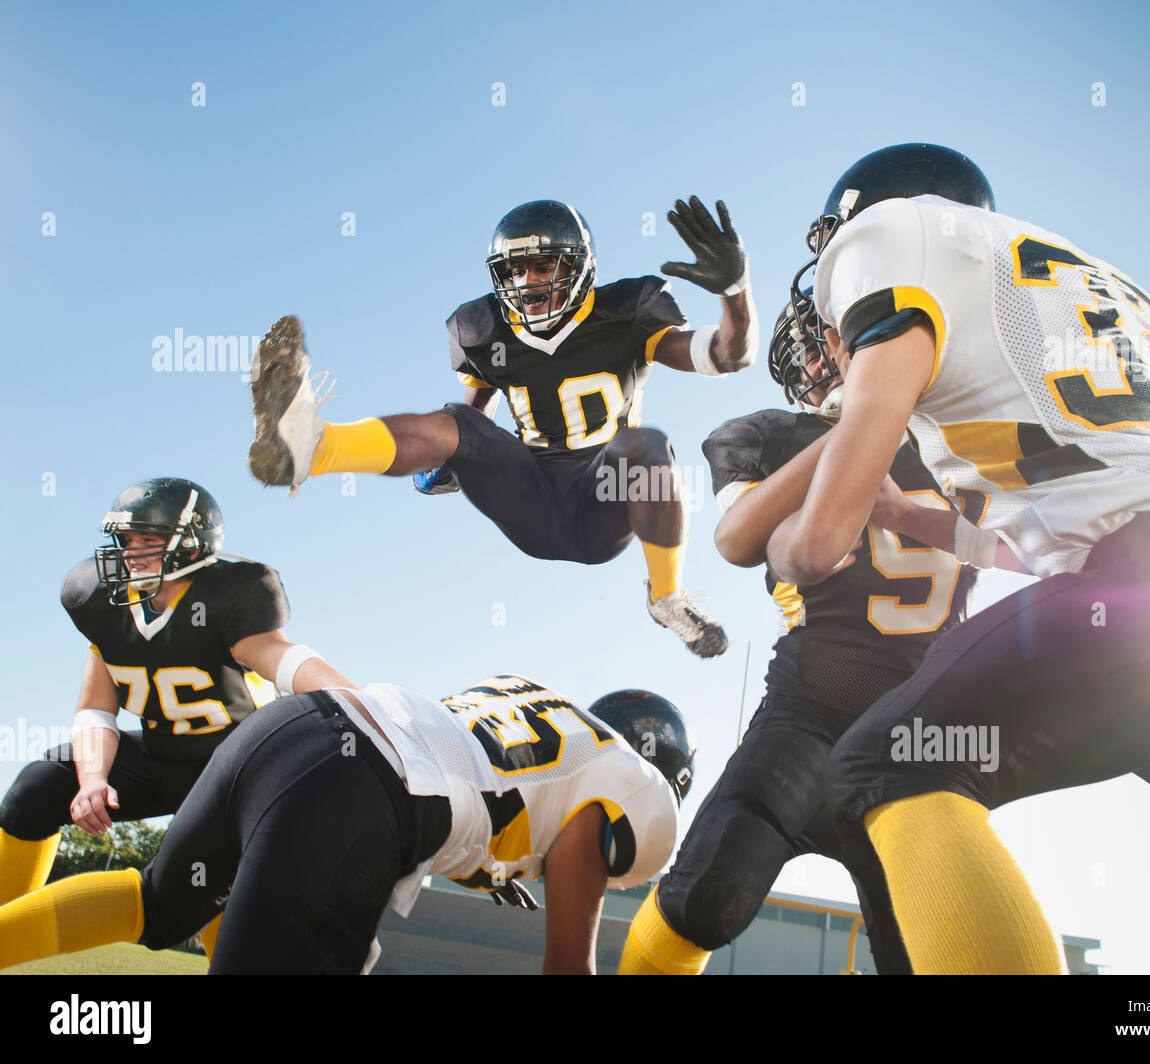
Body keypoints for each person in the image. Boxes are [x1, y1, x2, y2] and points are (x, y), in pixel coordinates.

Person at [765, 143, 1150, 974]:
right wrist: (909, 514)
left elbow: (822, 542)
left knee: (886, 762)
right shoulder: (1087, 285)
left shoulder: (893, 236)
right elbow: (1058, 528)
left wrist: (790, 540)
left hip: (1145, 579)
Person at [620, 300, 990, 975]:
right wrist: (868, 420)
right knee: (704, 900)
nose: (828, 353)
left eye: (841, 338)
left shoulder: (968, 439)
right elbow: (737, 538)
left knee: (942, 957)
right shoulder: (766, 433)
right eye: (818, 344)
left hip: (921, 737)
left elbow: (1020, 546)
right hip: (808, 716)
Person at [248, 197, 758, 657]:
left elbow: (727, 355)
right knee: (457, 420)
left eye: (542, 266)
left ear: (579, 268)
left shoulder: (627, 311)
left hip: (604, 505)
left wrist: (734, 292)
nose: (527, 283)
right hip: (532, 497)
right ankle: (312, 449)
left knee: (645, 446)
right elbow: (474, 415)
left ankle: (666, 596)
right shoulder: (483, 328)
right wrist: (446, 457)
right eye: (514, 271)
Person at [0, 675, 692, 974]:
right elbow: (568, 962)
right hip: (358, 792)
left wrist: (500, 865)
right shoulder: (635, 787)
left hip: (291, 728)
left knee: (156, 901)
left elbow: (474, 775)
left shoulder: (532, 701)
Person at [0, 478, 350, 963]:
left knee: (200, 892)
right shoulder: (106, 603)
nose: (131, 554)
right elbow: (97, 708)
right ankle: (5, 920)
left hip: (235, 773)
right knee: (40, 785)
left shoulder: (227, 597)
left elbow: (284, 661)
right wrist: (94, 779)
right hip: (162, 757)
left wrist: (357, 704)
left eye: (148, 541)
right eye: (126, 541)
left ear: (192, 542)